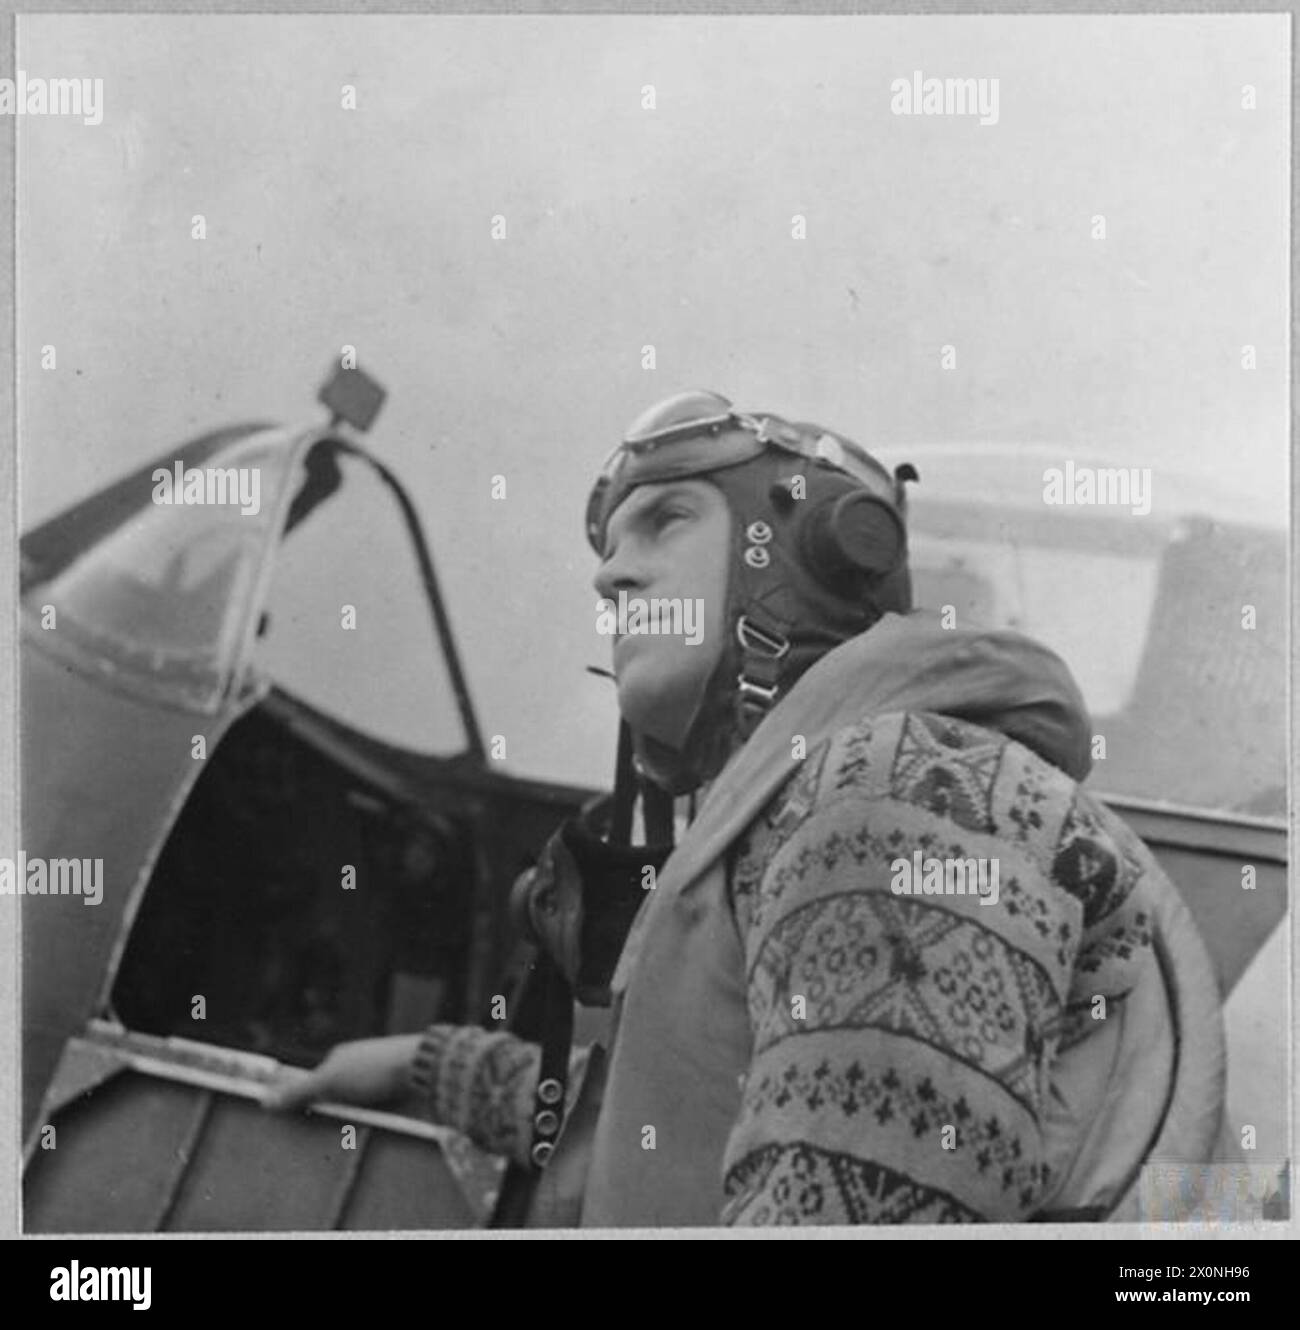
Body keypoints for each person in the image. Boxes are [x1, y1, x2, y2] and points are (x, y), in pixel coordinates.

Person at [269, 391, 1226, 1226]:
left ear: (801, 558)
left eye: (665, 522)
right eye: (611, 548)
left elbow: (857, 1206)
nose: (609, 576)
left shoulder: (894, 791)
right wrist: (437, 1068)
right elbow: (696, 1122)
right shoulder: (811, 803)